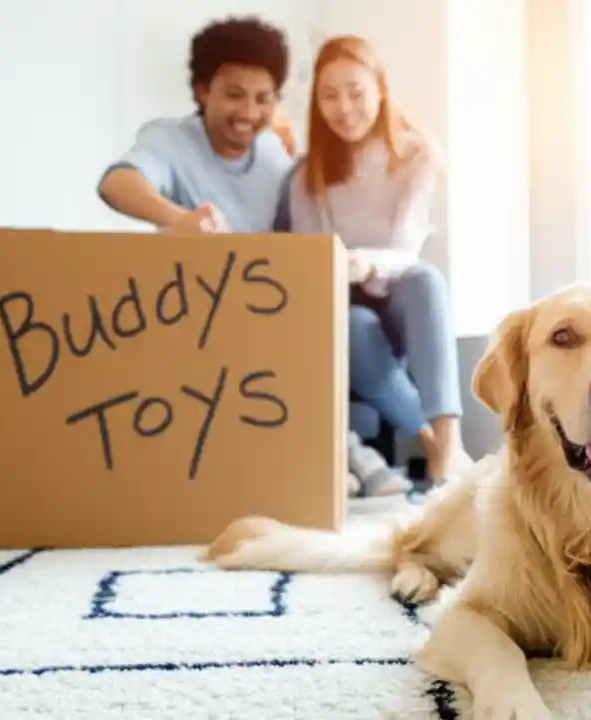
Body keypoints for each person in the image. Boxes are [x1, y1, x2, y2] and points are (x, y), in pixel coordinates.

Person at [277, 35, 470, 493]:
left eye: (356, 92)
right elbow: (310, 254)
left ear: (380, 89)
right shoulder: (308, 176)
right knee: (355, 326)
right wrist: (343, 271)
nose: (344, 108)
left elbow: (407, 246)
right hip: (341, 302)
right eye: (329, 96)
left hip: (400, 293)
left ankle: (450, 435)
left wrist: (363, 263)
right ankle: (431, 447)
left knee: (427, 279)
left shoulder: (416, 154)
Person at [97, 16, 295, 233]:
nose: (249, 113)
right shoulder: (170, 140)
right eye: (234, 95)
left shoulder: (274, 153)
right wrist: (183, 220)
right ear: (202, 91)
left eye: (262, 99)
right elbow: (116, 184)